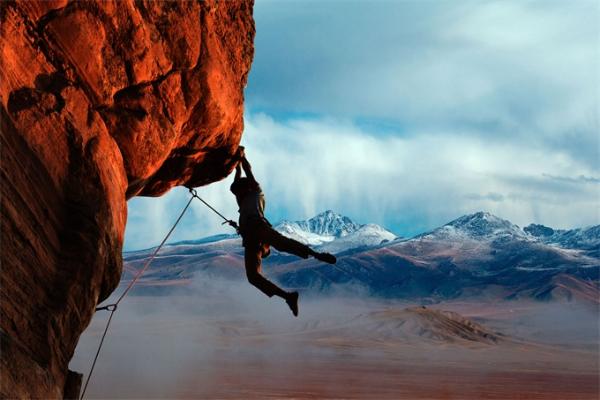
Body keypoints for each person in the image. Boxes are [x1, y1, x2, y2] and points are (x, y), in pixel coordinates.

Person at [230, 147, 336, 317]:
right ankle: (287, 296)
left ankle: (317, 254)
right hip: (251, 237)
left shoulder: (256, 192)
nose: (237, 194)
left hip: (258, 228)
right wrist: (237, 167)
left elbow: (248, 172)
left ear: (244, 189)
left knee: (283, 243)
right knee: (253, 277)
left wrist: (242, 159)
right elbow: (239, 181)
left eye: (238, 191)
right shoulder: (243, 200)